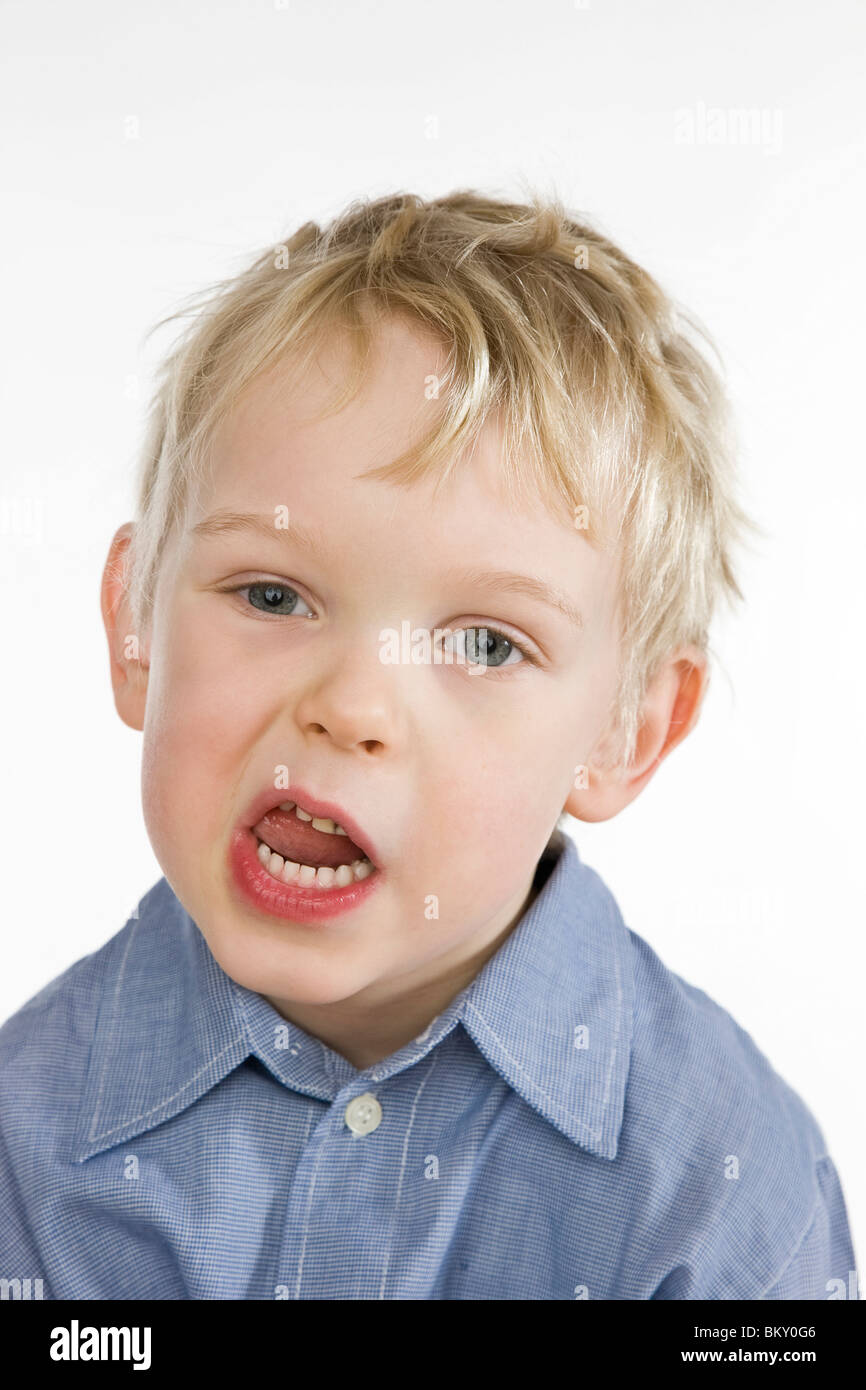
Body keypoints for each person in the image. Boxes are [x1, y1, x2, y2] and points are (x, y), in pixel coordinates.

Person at [0, 190, 856, 1299]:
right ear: (135, 625)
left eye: (486, 646)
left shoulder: (723, 1191)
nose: (351, 705)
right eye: (271, 593)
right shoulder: (31, 1139)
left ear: (626, 733)